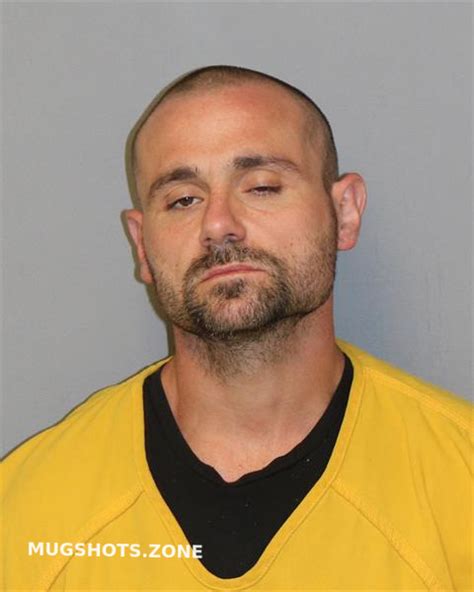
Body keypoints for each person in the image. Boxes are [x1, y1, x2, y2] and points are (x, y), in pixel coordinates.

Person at [2, 65, 472, 591]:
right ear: (142, 245)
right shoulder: (26, 512)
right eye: (183, 199)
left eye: (262, 186)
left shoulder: (462, 482)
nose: (219, 224)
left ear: (345, 212)